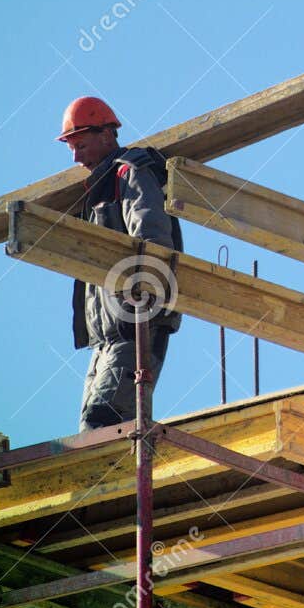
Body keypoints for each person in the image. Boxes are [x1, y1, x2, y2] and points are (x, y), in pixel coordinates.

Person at [58, 96, 184, 430]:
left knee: (106, 423)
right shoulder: (99, 187)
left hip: (134, 329)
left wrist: (142, 308)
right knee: (91, 428)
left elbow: (154, 238)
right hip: (106, 339)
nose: (75, 156)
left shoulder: (131, 172)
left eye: (81, 144)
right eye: (71, 147)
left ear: (106, 135)